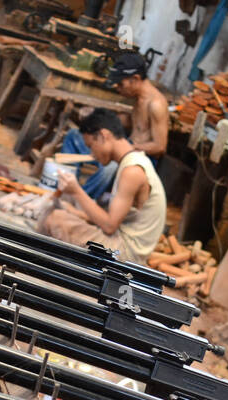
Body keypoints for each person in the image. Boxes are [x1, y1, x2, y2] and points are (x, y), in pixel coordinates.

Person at [38, 108, 167, 265]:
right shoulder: (132, 161)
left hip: (125, 253)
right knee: (65, 205)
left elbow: (109, 226)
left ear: (104, 136)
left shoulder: (132, 171)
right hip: (121, 239)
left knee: (55, 220)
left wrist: (77, 191)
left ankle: (42, 267)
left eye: (91, 146)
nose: (92, 154)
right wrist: (76, 209)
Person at [58, 50, 169, 199]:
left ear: (135, 79)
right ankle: (64, 187)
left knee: (110, 167)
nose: (118, 89)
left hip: (139, 156)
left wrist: (128, 149)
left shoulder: (156, 104)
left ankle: (81, 199)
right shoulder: (138, 97)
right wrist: (96, 117)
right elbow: (132, 122)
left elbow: (160, 147)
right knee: (74, 137)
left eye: (120, 84)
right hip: (128, 146)